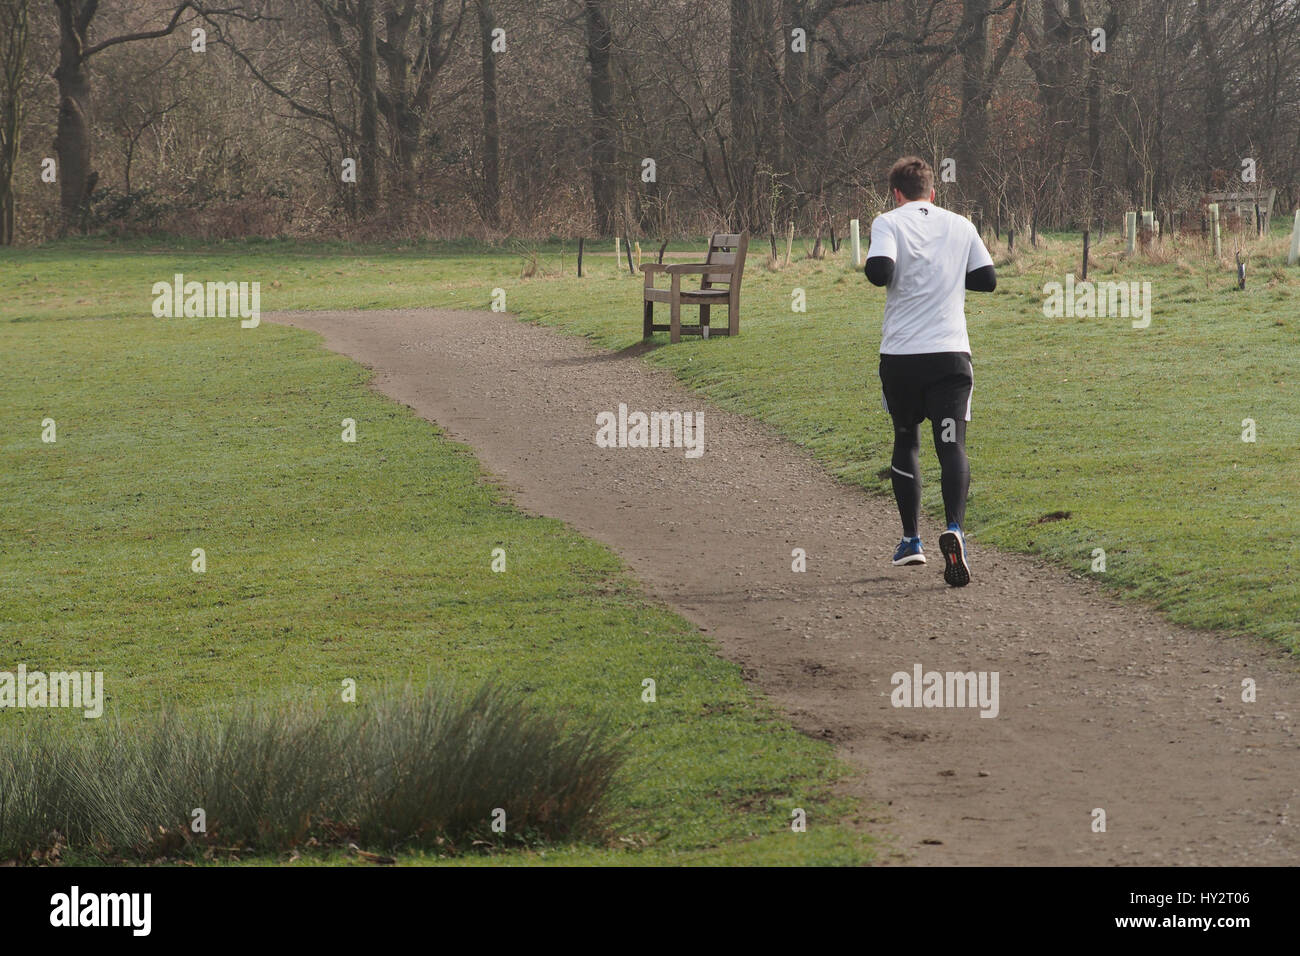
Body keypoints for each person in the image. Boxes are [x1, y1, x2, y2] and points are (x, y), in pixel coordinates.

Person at [864, 156, 997, 587]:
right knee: (951, 444)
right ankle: (955, 529)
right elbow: (988, 279)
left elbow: (879, 272)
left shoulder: (887, 221)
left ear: (897, 193)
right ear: (932, 192)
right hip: (950, 356)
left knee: (907, 440)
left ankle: (911, 541)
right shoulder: (961, 224)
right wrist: (948, 274)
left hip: (902, 357)